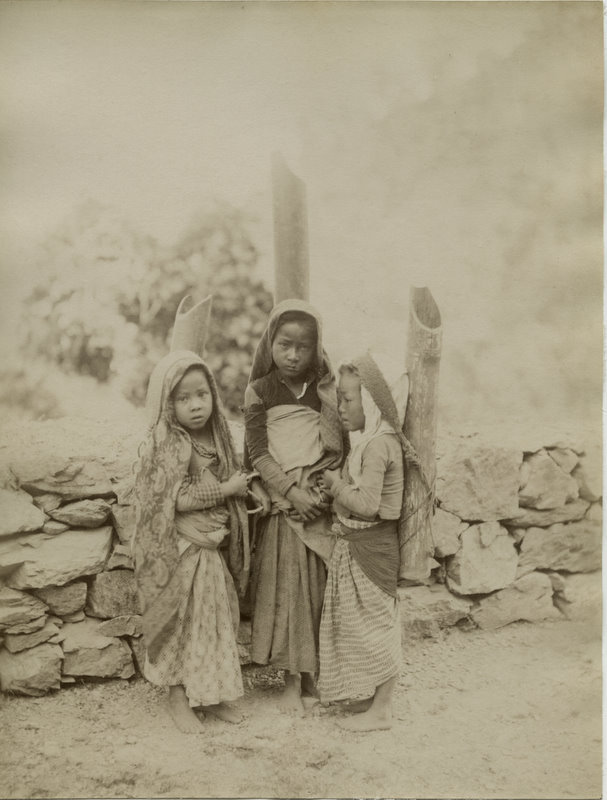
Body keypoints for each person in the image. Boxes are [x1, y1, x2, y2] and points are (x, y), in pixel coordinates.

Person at [132, 349, 261, 733]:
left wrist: (247, 492)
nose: (195, 405)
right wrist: (225, 490)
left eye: (201, 394)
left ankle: (211, 693)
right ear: (168, 403)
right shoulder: (171, 443)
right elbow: (175, 499)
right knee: (179, 623)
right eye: (183, 398)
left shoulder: (217, 434)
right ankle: (176, 698)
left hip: (210, 551)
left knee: (213, 622)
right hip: (181, 554)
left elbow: (236, 476)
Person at [243, 299, 345, 714]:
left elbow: (336, 451)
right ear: (270, 343)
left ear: (316, 349)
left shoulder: (325, 395)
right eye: (285, 344)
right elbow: (257, 453)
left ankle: (314, 676)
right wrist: (290, 493)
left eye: (303, 347)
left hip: (316, 508)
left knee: (317, 593)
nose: (293, 355)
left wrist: (318, 496)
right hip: (283, 509)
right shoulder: (260, 391)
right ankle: (288, 679)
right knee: (285, 592)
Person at [318, 351, 419, 731]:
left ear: (373, 403)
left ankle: (382, 708)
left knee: (377, 625)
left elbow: (367, 504)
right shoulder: (367, 442)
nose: (340, 408)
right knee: (358, 624)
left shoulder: (378, 446)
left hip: (372, 547)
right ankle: (366, 697)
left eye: (347, 400)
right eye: (339, 399)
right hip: (357, 545)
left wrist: (335, 485)